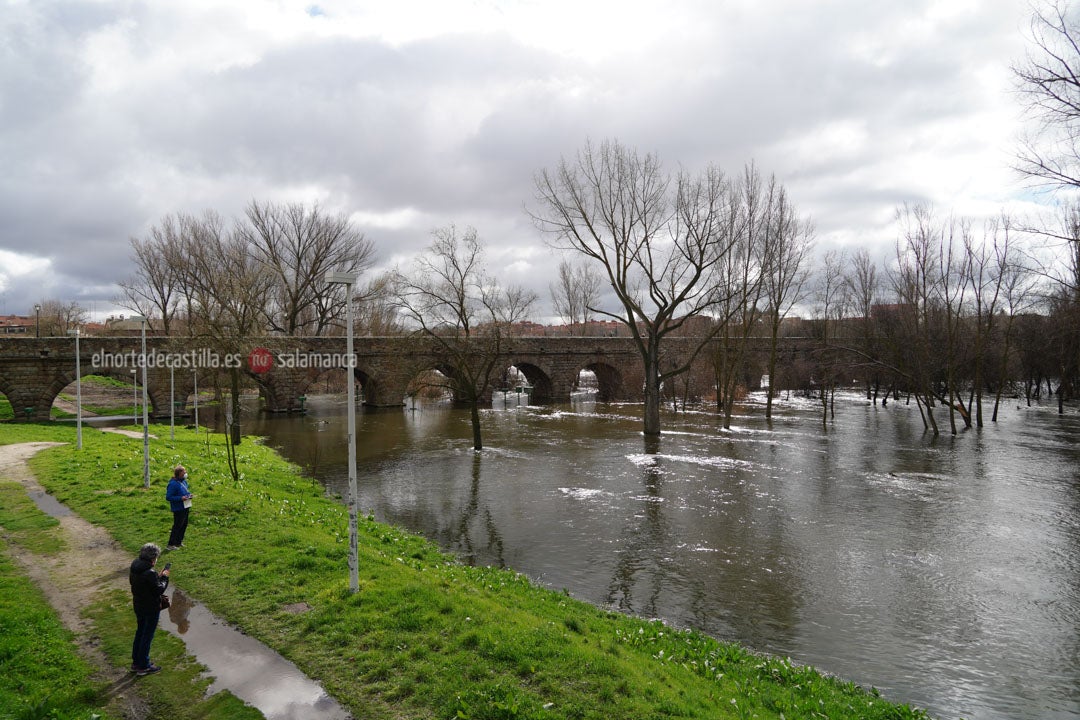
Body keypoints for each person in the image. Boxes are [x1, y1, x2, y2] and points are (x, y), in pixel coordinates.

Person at [129, 542, 170, 676]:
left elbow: (147, 585)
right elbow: (159, 589)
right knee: (147, 636)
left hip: (139, 605)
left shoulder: (135, 566)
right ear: (153, 558)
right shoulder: (149, 573)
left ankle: (136, 663)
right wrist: (164, 577)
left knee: (140, 632)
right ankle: (144, 666)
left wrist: (156, 577)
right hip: (150, 608)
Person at [165, 465, 193, 550]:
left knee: (184, 524)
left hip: (186, 506)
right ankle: (170, 544)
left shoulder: (184, 482)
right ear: (179, 473)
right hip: (178, 508)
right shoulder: (173, 484)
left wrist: (189, 495)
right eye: (184, 471)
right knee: (177, 526)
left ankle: (178, 542)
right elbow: (168, 497)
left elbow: (185, 491)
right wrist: (180, 498)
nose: (185, 473)